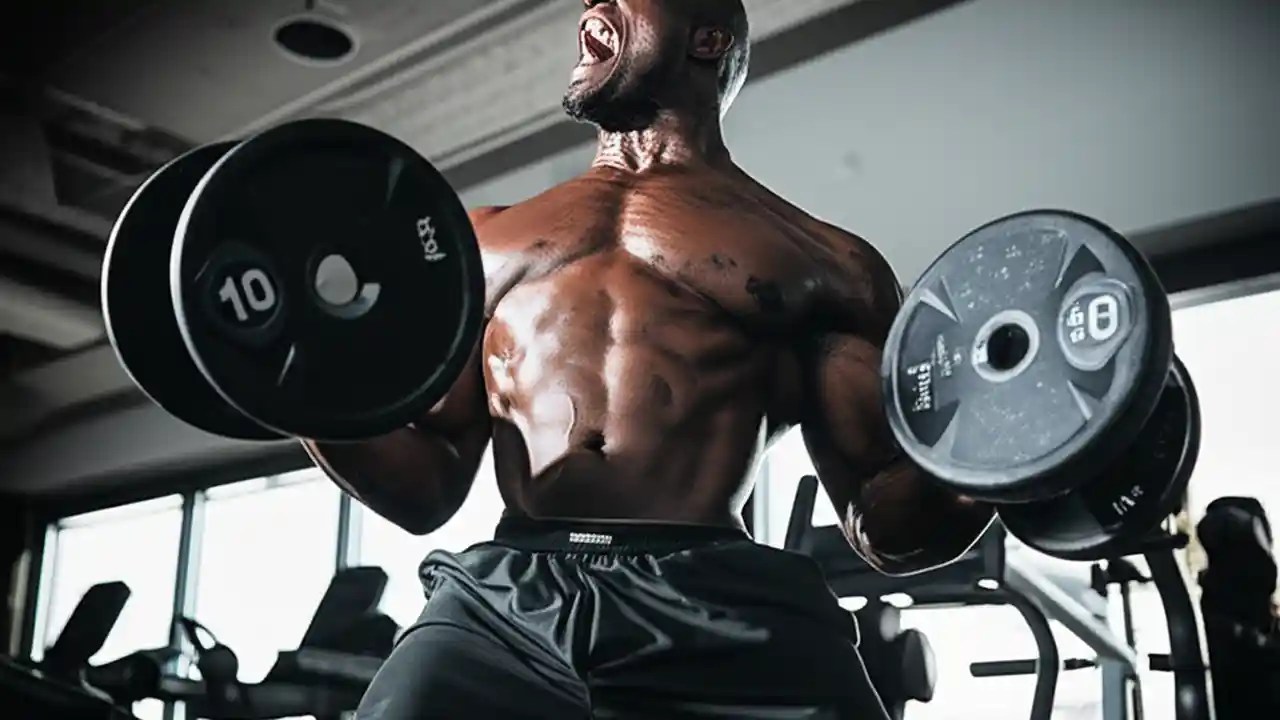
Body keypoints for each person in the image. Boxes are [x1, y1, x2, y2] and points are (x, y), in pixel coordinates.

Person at [306, 1, 994, 717]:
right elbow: (428, 484)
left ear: (707, 38)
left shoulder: (824, 263)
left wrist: (1003, 465)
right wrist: (297, 396)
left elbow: (884, 523)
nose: (592, 6)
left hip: (720, 604)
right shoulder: (480, 241)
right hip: (507, 604)